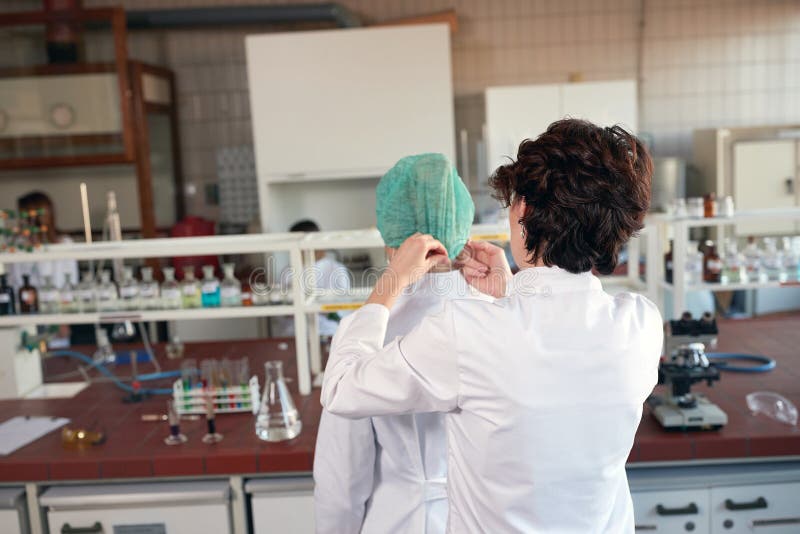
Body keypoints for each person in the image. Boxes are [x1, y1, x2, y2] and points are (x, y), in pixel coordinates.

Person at [322, 119, 663, 533]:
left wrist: (391, 282)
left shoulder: (467, 331)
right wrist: (509, 293)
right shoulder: (641, 325)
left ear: (524, 209)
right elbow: (549, 366)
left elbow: (341, 388)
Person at [314, 154, 492, 533]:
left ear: (392, 245)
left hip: (400, 520)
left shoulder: (365, 332)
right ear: (463, 231)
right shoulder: (501, 316)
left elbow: (341, 480)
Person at [274, 219, 350, 337]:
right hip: (294, 335)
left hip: (328, 333)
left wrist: (321, 308)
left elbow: (343, 309)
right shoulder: (287, 272)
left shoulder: (336, 269)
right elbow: (279, 312)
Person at [7, 191, 79, 290]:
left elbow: (70, 282)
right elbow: (12, 282)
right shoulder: (16, 244)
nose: (21, 222)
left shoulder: (65, 243)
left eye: (24, 216)